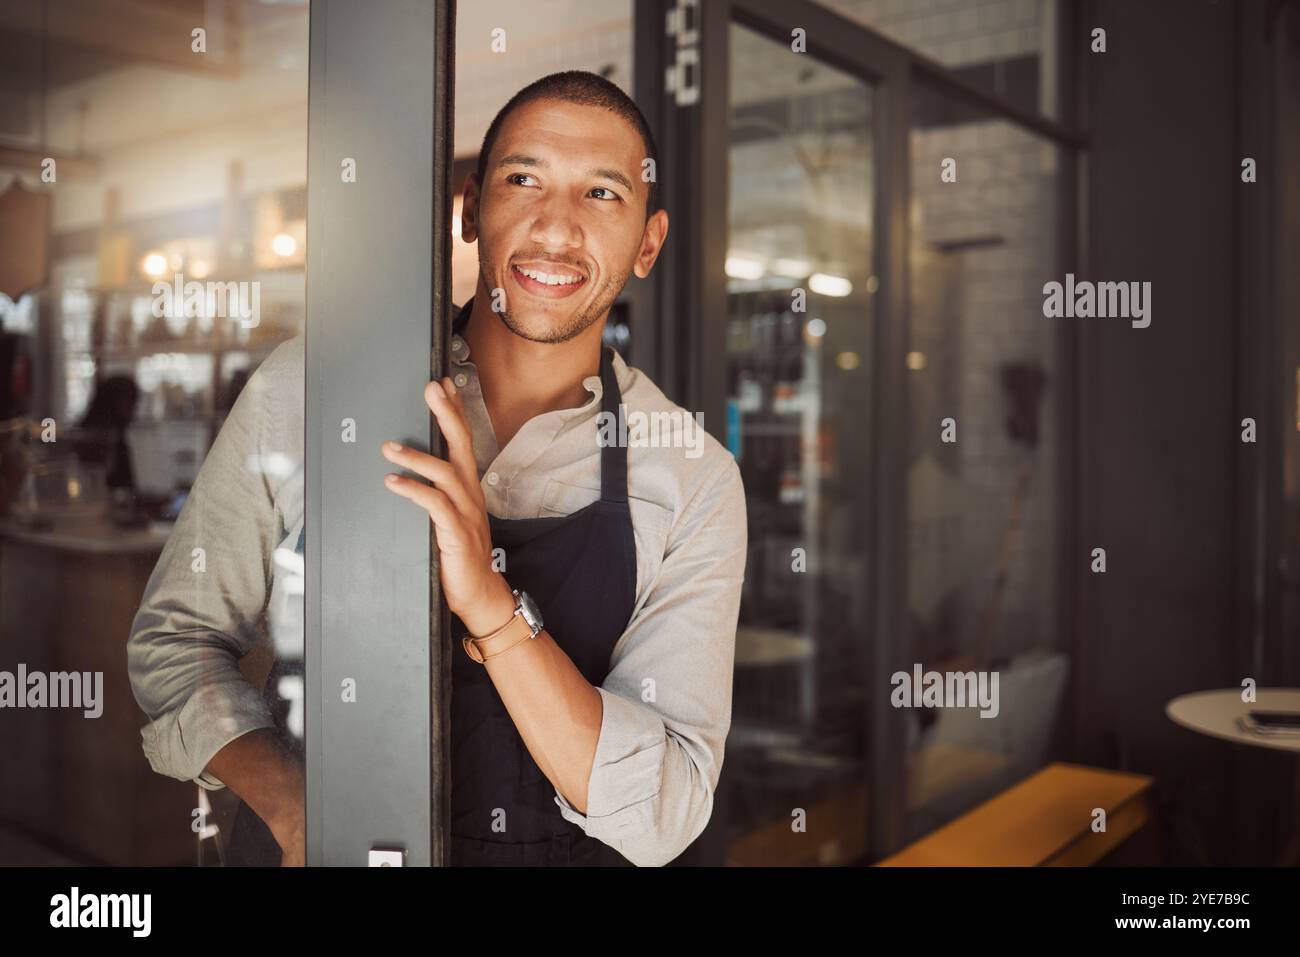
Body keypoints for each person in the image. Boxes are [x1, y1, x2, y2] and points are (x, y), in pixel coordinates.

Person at [127, 70, 748, 867]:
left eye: (602, 194)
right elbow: (175, 640)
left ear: (648, 244)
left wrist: (492, 607)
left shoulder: (692, 474)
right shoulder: (315, 387)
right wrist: (296, 811)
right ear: (468, 208)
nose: (555, 228)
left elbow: (666, 809)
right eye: (523, 179)